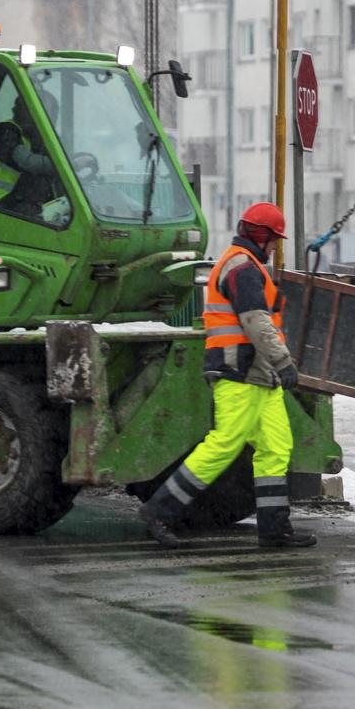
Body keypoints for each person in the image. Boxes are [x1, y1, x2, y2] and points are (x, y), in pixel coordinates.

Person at [138, 202, 316, 550]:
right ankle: (159, 511)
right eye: (274, 241)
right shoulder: (241, 267)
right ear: (261, 236)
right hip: (239, 372)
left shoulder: (246, 266)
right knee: (224, 443)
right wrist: (283, 361)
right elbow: (255, 321)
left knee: (276, 447)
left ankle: (274, 530)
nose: (274, 248)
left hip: (258, 377)